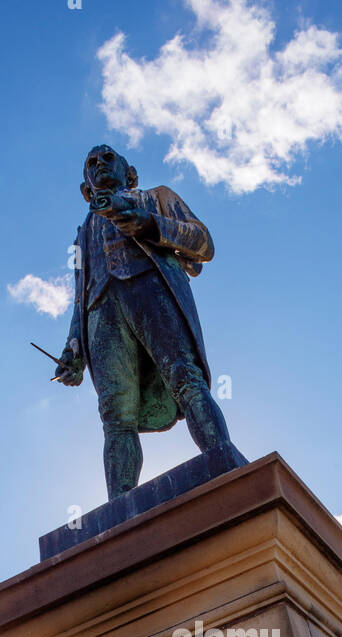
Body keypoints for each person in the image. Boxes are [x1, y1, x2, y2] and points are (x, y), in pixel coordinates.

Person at [55, 144, 232, 498]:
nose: (100, 164)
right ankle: (119, 511)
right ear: (86, 189)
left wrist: (150, 224)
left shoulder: (156, 197)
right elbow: (80, 295)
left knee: (185, 377)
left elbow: (203, 243)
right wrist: (74, 346)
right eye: (92, 162)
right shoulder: (82, 235)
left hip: (151, 289)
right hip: (100, 313)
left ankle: (225, 464)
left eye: (108, 158)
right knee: (115, 416)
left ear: (129, 172)